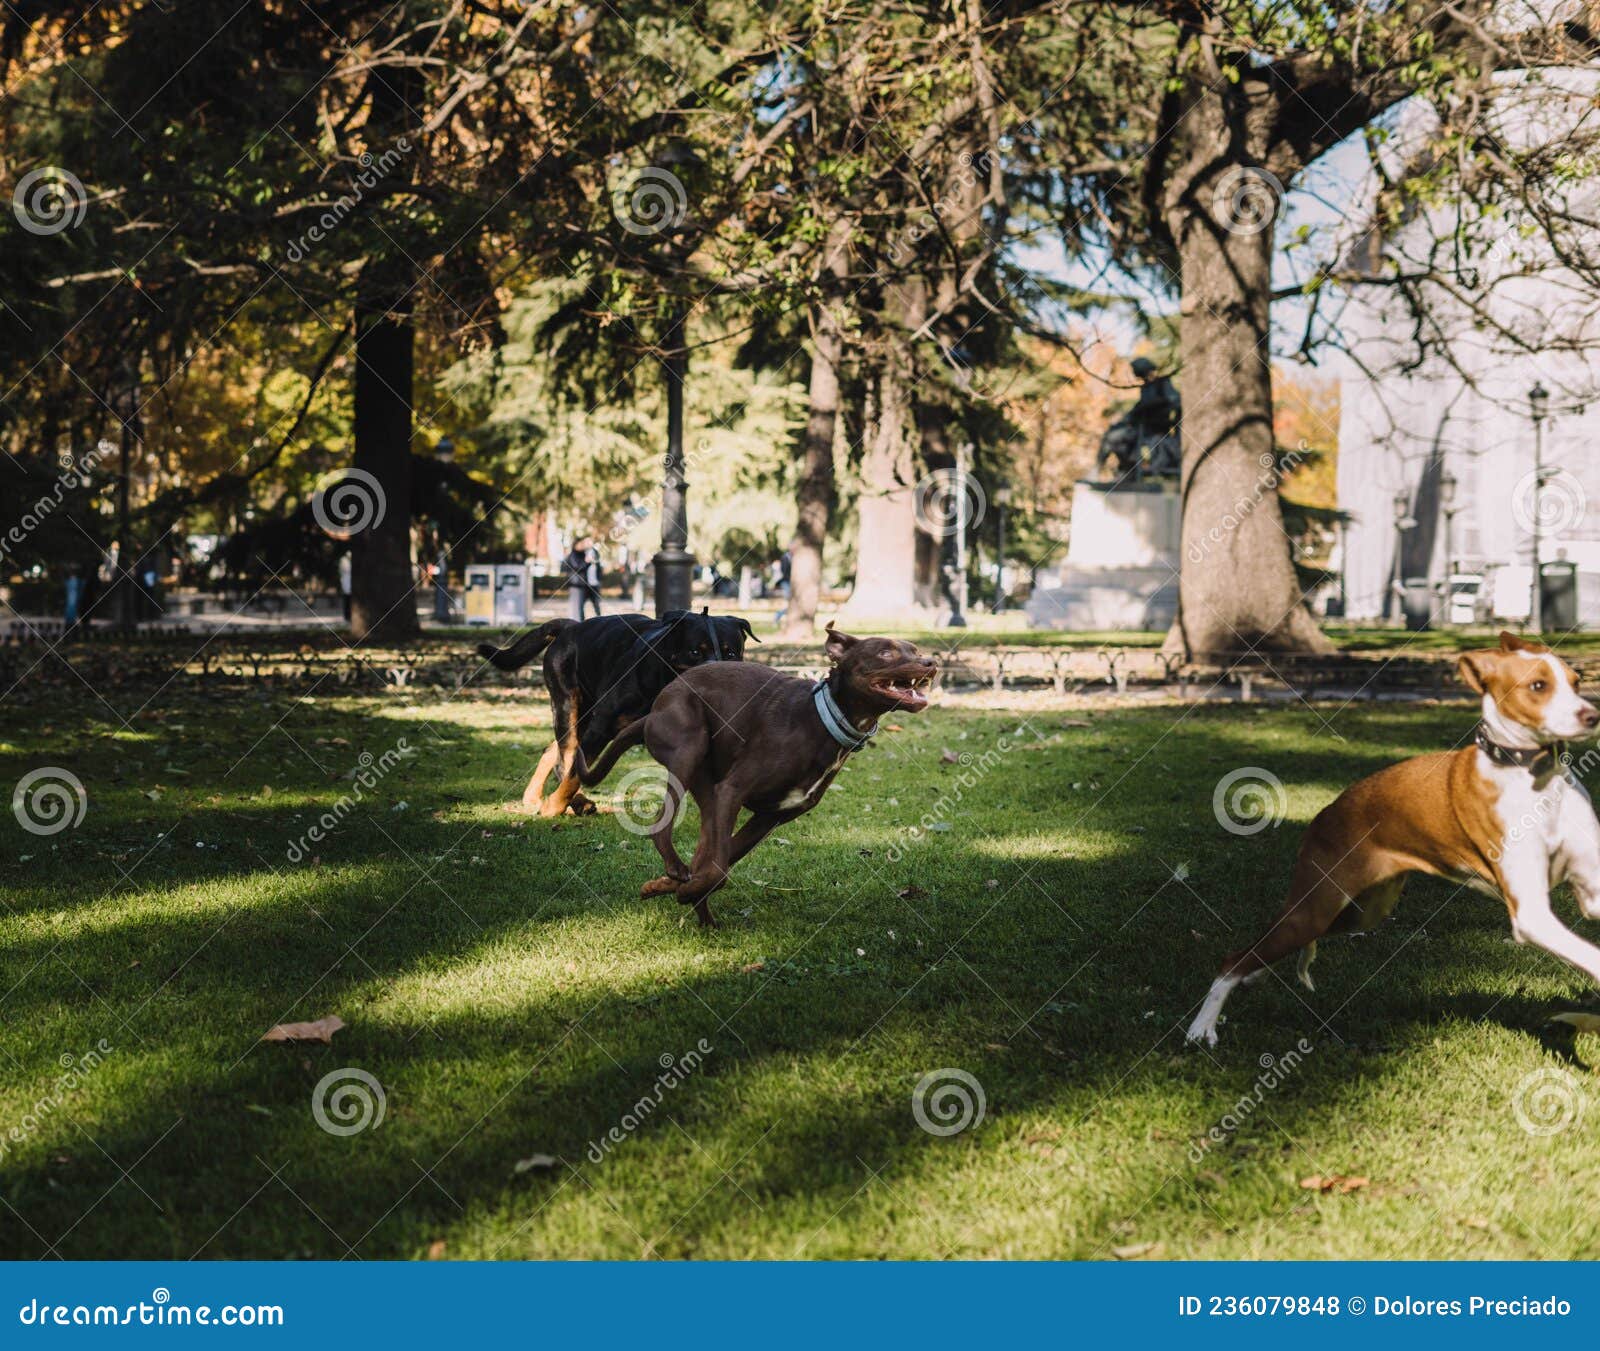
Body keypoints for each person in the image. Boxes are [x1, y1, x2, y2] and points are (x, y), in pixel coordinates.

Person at [565, 536, 602, 620]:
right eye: (582, 543)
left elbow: (598, 567)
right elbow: (578, 568)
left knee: (596, 606)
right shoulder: (573, 555)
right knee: (578, 608)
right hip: (578, 585)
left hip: (591, 584)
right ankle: (580, 624)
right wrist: (586, 562)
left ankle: (599, 621)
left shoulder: (589, 553)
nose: (584, 545)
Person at [339, 552, 353, 622]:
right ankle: (347, 616)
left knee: (350, 601)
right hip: (346, 585)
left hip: (349, 585)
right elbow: (346, 570)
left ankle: (349, 616)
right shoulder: (344, 560)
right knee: (346, 601)